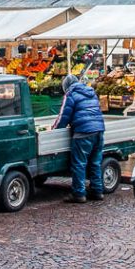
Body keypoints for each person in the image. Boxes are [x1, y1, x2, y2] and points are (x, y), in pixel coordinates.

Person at [53, 74, 106, 203]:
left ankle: (79, 194)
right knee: (95, 163)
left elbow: (64, 116)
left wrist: (54, 129)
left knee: (79, 164)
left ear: (66, 86)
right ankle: (97, 191)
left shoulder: (70, 94)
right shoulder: (91, 92)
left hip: (83, 132)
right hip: (99, 130)